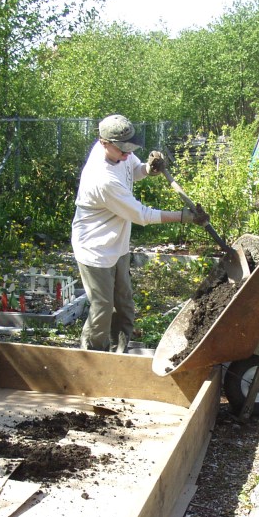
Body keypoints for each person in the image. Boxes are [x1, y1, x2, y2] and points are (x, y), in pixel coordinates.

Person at [72, 114, 209, 353]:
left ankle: (119, 354)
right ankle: (93, 357)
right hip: (94, 247)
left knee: (124, 304)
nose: (127, 154)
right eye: (122, 150)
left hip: (117, 242)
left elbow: (132, 170)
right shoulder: (101, 179)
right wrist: (183, 217)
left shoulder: (119, 150)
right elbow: (142, 215)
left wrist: (148, 168)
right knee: (102, 307)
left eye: (130, 148)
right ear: (103, 143)